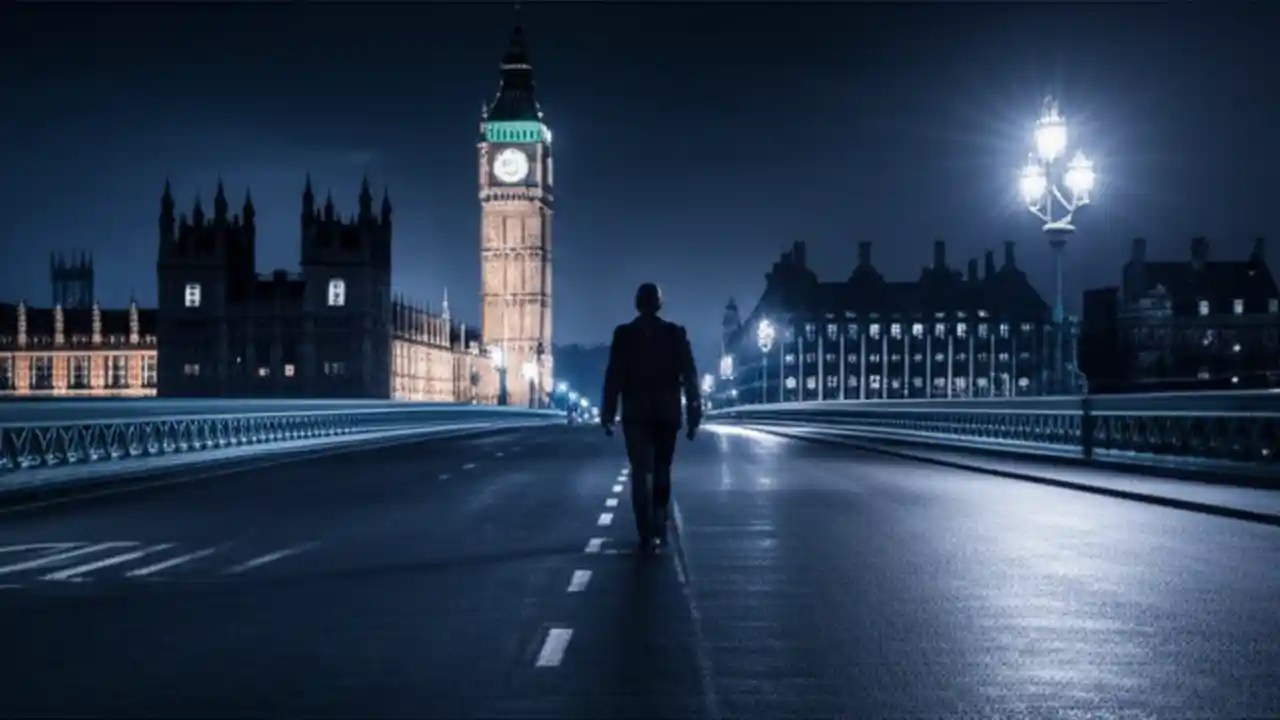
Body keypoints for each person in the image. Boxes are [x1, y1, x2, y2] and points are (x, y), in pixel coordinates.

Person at [601, 282, 702, 554]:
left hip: (635, 414)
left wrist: (608, 413)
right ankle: (659, 519)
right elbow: (690, 377)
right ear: (659, 304)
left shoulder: (624, 335)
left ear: (637, 304)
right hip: (667, 413)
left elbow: (614, 376)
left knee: (640, 470)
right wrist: (694, 415)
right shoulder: (675, 334)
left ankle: (645, 531)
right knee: (662, 468)